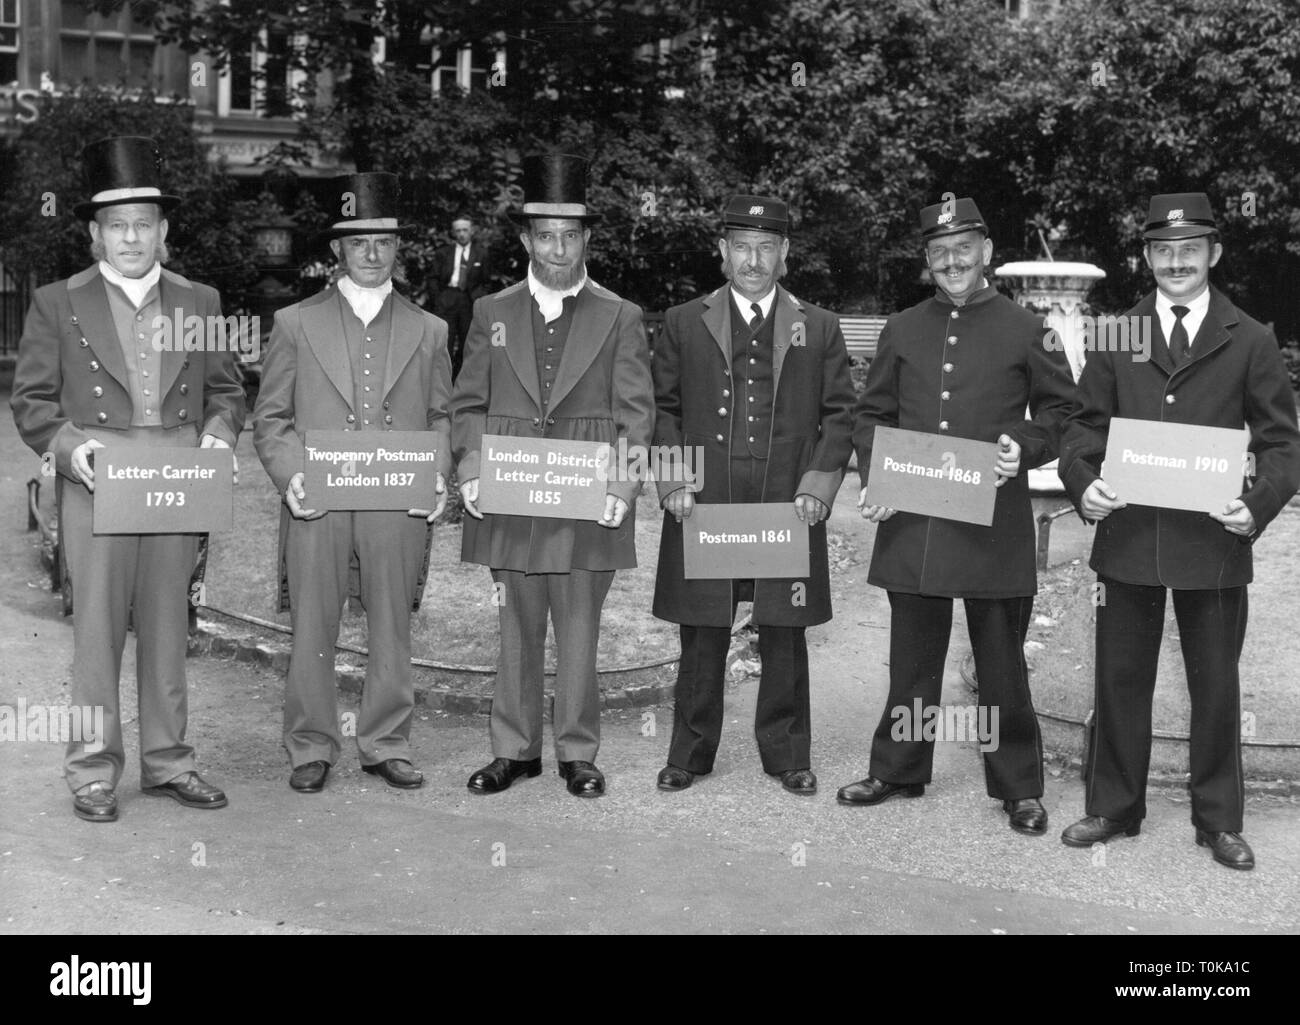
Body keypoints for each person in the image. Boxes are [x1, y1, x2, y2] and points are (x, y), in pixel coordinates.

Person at [1057, 192, 1300, 869]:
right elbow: (1081, 427)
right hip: (1129, 535)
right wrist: (1084, 483)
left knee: (1216, 681)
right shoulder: (1117, 332)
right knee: (1119, 675)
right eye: (1162, 251)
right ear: (1146, 257)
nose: (1175, 261)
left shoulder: (1249, 337)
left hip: (1215, 540)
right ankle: (1113, 805)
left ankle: (1218, 818)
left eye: (1188, 249)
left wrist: (1257, 505)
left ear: (1213, 253)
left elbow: (1285, 444)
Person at [10, 135, 244, 822]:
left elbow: (227, 394)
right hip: (96, 480)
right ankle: (91, 768)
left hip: (176, 481)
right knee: (97, 632)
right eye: (117, 224)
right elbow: (31, 400)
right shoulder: (58, 302)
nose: (132, 236)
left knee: (171, 626)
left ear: (164, 229)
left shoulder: (199, 301)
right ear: (94, 233)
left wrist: (217, 435)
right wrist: (65, 445)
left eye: (144, 223)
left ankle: (169, 760)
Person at [839, 196, 1074, 834]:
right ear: (927, 260)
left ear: (986, 251)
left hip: (991, 519)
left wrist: (1021, 449)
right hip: (915, 519)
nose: (953, 261)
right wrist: (876, 475)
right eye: (940, 252)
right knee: (912, 656)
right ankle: (898, 770)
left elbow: (1061, 415)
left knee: (1001, 662)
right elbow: (871, 415)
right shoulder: (903, 326)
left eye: (963, 248)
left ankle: (1019, 786)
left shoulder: (1029, 328)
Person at [450, 153, 654, 798]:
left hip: (586, 494)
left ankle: (577, 752)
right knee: (514, 625)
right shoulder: (492, 312)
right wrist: (473, 468)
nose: (558, 249)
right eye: (545, 236)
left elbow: (635, 412)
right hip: (511, 493)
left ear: (587, 240)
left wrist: (622, 487)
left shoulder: (619, 315)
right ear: (525, 240)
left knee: (580, 630)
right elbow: (468, 404)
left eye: (570, 236)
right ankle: (513, 750)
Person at [253, 172, 452, 794]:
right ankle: (311, 743)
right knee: (314, 621)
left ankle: (385, 740)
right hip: (320, 499)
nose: (372, 253)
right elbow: (271, 418)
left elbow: (444, 414)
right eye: (358, 241)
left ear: (399, 249)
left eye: (384, 242)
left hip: (396, 497)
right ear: (336, 249)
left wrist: (439, 471)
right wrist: (291, 477)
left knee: (393, 620)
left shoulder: (430, 329)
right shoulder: (293, 322)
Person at [650, 195, 855, 796]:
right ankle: (688, 753)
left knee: (784, 628)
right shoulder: (684, 320)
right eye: (742, 246)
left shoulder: (818, 326)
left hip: (785, 498)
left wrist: (819, 486)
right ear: (723, 252)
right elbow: (661, 408)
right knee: (702, 625)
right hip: (705, 495)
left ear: (785, 254)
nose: (754, 259)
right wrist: (672, 480)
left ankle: (788, 753)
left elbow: (840, 415)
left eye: (767, 247)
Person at [425, 214, 491, 379]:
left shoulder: (481, 254)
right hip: (447, 298)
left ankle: (461, 383)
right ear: (453, 233)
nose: (462, 234)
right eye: (458, 230)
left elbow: (487, 281)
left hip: (469, 301)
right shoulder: (443, 253)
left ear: (472, 231)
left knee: (467, 344)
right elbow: (432, 278)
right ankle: (442, 382)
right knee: (444, 343)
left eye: (465, 230)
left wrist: (479, 300)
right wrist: (438, 299)